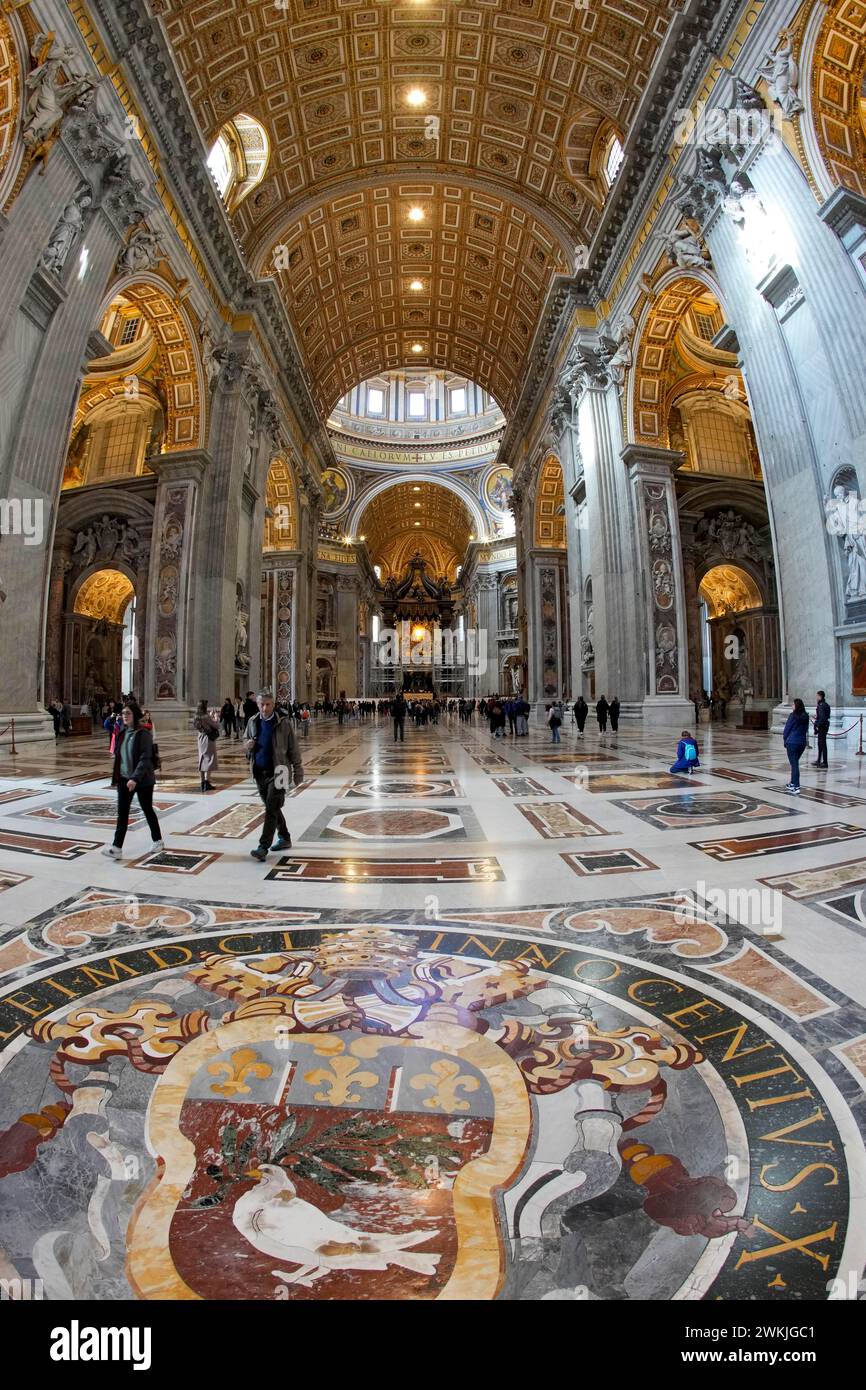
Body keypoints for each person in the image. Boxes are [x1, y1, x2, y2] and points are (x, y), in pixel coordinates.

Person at [244, 687, 304, 861]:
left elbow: (294, 749)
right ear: (257, 704)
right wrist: (247, 746)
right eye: (262, 704)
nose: (264, 708)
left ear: (274, 704)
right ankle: (284, 836)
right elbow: (245, 740)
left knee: (271, 808)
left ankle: (263, 847)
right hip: (259, 772)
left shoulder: (283, 723)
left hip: (280, 771)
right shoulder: (252, 721)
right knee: (273, 807)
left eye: (268, 705)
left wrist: (298, 772)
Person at [101, 701, 163, 858]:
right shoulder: (122, 733)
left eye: (128, 713)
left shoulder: (144, 734)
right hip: (124, 779)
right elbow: (119, 756)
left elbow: (145, 758)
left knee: (147, 809)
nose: (125, 716)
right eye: (123, 713)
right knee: (122, 813)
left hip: (142, 780)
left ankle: (158, 840)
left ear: (135, 715)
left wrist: (135, 778)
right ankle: (116, 848)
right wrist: (119, 778)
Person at [782, 698, 809, 794]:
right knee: (795, 763)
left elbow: (787, 729)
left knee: (794, 765)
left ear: (796, 706)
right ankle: (792, 783)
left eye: (793, 704)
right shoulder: (805, 716)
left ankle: (796, 786)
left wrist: (785, 739)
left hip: (792, 742)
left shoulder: (792, 716)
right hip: (801, 742)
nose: (792, 706)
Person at [194, 698, 219, 792]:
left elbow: (203, 725)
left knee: (202, 759)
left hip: (200, 737)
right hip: (208, 738)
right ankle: (207, 783)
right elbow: (216, 725)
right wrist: (216, 717)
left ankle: (202, 782)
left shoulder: (196, 716)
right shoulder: (205, 716)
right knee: (209, 759)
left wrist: (210, 716)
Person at [813, 690, 830, 769]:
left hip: (822, 727)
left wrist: (817, 725)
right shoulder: (825, 704)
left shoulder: (821, 705)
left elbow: (823, 718)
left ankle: (825, 762)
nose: (816, 697)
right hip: (824, 725)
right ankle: (819, 760)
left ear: (820, 696)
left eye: (817, 696)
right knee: (820, 744)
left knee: (823, 745)